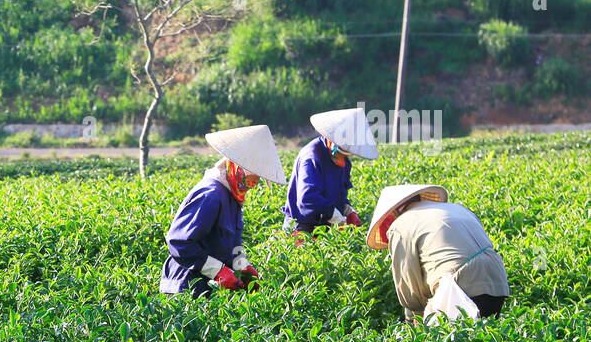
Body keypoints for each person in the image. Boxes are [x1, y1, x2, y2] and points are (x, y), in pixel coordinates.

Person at [160, 124, 287, 296]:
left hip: (209, 287)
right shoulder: (211, 195)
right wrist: (217, 270)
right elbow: (179, 242)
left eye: (258, 178)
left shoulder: (233, 196)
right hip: (185, 286)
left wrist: (244, 267)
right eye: (252, 175)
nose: (254, 182)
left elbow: (233, 244)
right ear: (235, 166)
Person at [366, 183, 511, 323]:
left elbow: (408, 279)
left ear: (395, 211)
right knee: (487, 337)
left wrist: (413, 317)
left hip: (459, 285)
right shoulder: (457, 208)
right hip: (497, 278)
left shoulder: (401, 224)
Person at [282, 107, 379, 237]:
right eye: (340, 153)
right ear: (331, 141)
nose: (343, 158)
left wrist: (347, 209)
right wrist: (332, 213)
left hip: (324, 227)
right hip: (302, 226)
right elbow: (307, 200)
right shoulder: (312, 157)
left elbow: (338, 194)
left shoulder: (344, 163)